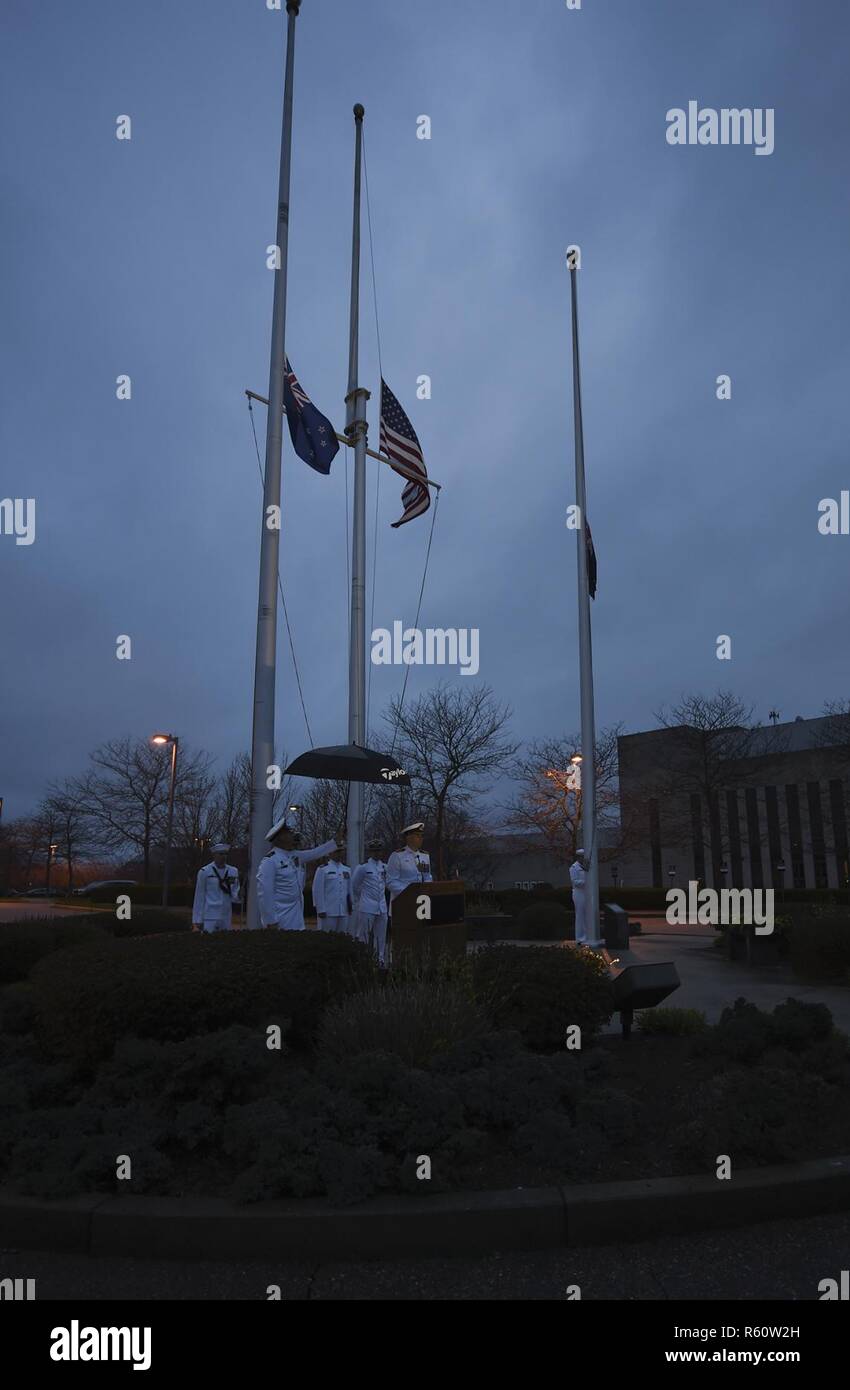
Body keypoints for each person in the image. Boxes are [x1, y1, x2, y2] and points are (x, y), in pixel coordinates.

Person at [256, 817, 338, 931]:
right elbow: (265, 893)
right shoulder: (270, 861)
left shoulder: (292, 855)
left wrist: (335, 842)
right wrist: (270, 920)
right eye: (289, 833)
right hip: (280, 916)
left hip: (296, 914)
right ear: (281, 838)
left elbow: (315, 853)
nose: (292, 836)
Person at [352, 839, 389, 964]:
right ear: (370, 852)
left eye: (379, 851)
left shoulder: (384, 867)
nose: (377, 853)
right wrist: (362, 898)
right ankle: (363, 959)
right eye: (374, 851)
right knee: (364, 935)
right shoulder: (363, 867)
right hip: (367, 906)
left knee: (381, 936)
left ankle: (380, 959)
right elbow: (354, 886)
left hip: (382, 906)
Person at [192, 843, 240, 933]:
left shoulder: (233, 871)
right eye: (221, 854)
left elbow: (234, 894)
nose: (223, 857)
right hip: (209, 916)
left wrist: (240, 896)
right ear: (214, 855)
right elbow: (199, 896)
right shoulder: (205, 872)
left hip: (226, 915)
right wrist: (197, 920)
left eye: (225, 854)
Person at [386, 820, 433, 903]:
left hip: (422, 902)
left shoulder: (424, 856)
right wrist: (409, 892)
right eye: (417, 835)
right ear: (409, 837)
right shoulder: (397, 856)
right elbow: (390, 881)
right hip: (402, 901)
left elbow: (427, 877)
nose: (421, 838)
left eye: (422, 836)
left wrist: (426, 890)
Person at [312, 843, 353, 934]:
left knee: (342, 937)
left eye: (341, 851)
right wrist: (320, 909)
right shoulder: (323, 869)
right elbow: (317, 890)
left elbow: (349, 890)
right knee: (327, 938)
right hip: (328, 911)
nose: (339, 854)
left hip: (343, 910)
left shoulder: (347, 869)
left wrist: (350, 905)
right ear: (330, 853)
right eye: (337, 851)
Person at [570, 848, 588, 945]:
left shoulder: (585, 867)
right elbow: (575, 882)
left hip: (586, 893)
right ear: (578, 857)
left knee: (586, 915)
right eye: (581, 856)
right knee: (580, 915)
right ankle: (580, 937)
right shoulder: (574, 868)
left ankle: (586, 935)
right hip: (578, 893)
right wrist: (587, 882)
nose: (583, 858)